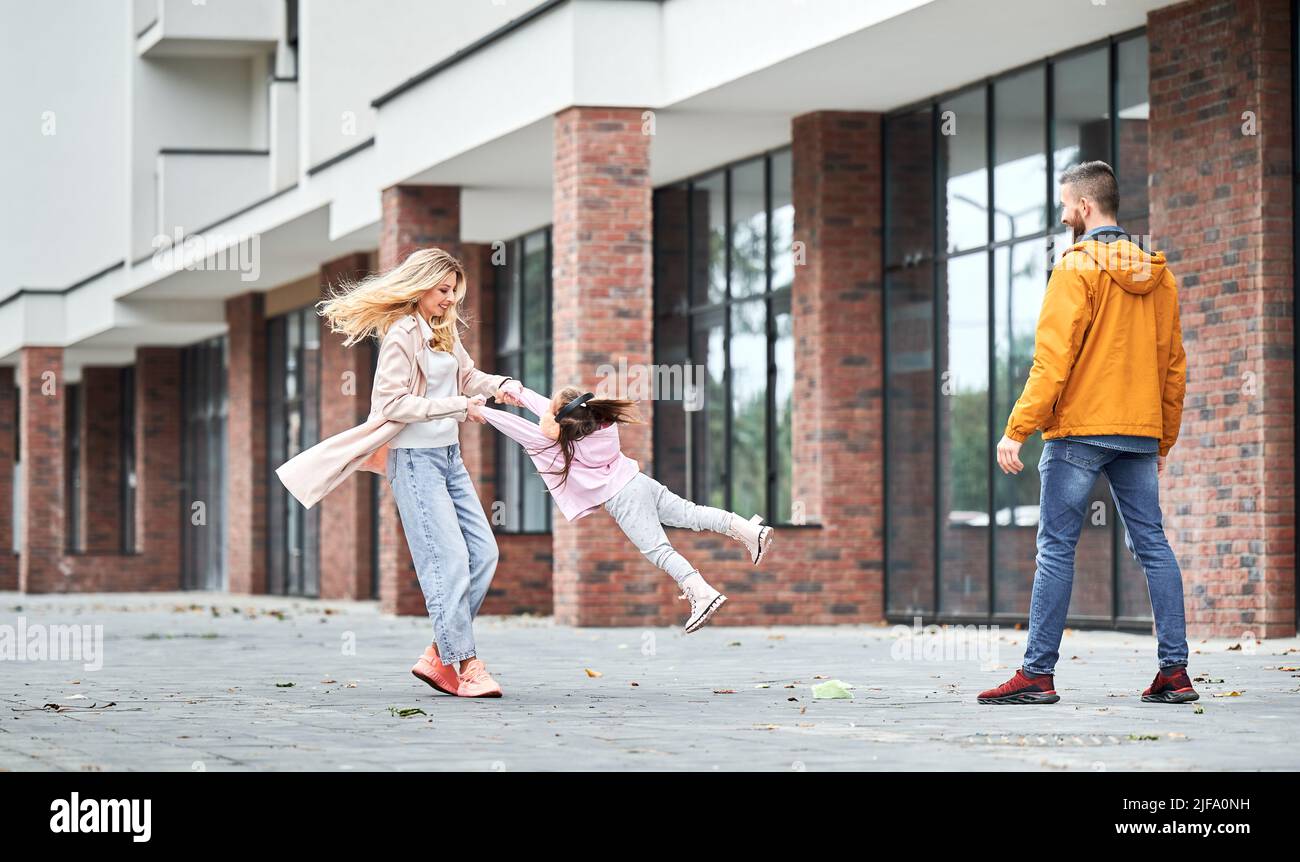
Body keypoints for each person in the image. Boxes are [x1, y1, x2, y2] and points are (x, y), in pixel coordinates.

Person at [979, 161, 1196, 706]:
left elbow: (1052, 361)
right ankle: (1175, 672)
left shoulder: (1075, 267)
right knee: (1152, 543)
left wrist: (1017, 429)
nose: (1061, 213)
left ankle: (1037, 674)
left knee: (1056, 549)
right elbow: (1174, 367)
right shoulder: (1158, 275)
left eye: (1064, 204)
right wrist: (1162, 439)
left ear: (1083, 207)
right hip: (1139, 433)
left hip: (1077, 432)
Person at [276, 247, 516, 698]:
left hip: (449, 459)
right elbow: (392, 404)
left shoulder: (442, 331)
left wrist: (503, 387)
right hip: (414, 461)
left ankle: (438, 656)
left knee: (483, 554)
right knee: (447, 561)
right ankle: (465, 664)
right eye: (443, 290)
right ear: (421, 285)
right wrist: (461, 408)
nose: (450, 299)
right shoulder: (402, 334)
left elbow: (467, 377)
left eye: (454, 291)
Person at [485, 381, 774, 633]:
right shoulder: (599, 424)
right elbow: (550, 409)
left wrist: (483, 411)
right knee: (692, 513)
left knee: (658, 550)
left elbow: (520, 429)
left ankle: (701, 592)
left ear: (560, 421)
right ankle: (748, 530)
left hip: (623, 497)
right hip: (638, 480)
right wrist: (517, 392)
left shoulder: (566, 442)